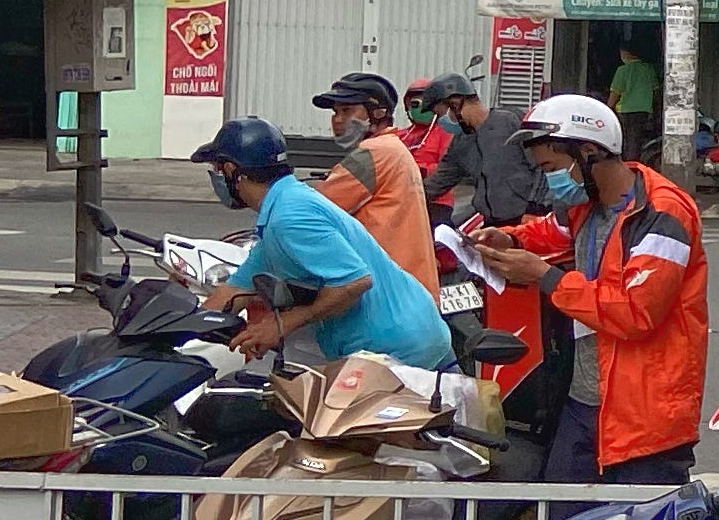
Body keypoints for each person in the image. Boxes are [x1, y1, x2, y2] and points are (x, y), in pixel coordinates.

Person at [474, 92, 706, 489]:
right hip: (584, 401)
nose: (549, 181)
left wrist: (544, 276)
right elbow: (547, 234)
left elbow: (635, 312)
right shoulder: (585, 207)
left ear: (588, 152)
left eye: (552, 167)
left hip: (642, 413)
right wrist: (509, 239)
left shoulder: (663, 215)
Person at [188, 116, 453, 371]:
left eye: (217, 170)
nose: (216, 178)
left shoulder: (290, 216)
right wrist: (176, 329)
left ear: (233, 172)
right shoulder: (283, 209)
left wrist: (282, 324)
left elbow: (353, 281)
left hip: (397, 350)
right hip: (401, 337)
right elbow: (234, 291)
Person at [309, 71, 441, 292]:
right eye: (335, 112)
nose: (338, 119)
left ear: (377, 113)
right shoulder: (393, 147)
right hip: (409, 289)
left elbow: (315, 209)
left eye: (347, 110)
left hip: (387, 291)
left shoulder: (373, 153)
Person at [419, 72, 537, 229]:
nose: (439, 121)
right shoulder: (461, 142)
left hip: (527, 221)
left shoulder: (509, 122)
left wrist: (536, 209)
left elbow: (541, 169)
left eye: (439, 114)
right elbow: (438, 181)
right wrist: (409, 196)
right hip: (492, 224)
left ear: (455, 104)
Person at [607, 39, 660, 159]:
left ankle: (628, 163)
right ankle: (633, 162)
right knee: (636, 139)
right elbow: (656, 90)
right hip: (644, 109)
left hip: (624, 110)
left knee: (624, 139)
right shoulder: (649, 69)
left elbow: (615, 93)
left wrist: (607, 109)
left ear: (626, 53)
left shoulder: (622, 70)